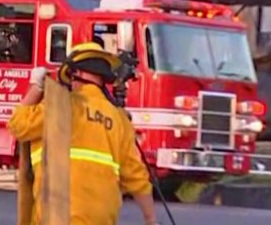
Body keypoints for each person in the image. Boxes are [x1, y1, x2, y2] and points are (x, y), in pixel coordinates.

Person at [8, 42, 159, 225]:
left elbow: (17, 125)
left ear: (76, 72)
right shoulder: (119, 118)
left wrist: (36, 87)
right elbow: (136, 176)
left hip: (59, 215)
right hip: (102, 217)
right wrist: (151, 219)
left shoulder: (61, 106)